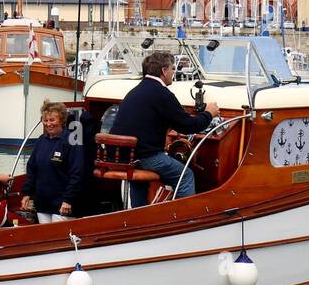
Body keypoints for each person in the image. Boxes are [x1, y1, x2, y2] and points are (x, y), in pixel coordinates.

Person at [110, 51, 219, 206]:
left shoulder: (134, 92)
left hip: (124, 156)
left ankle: (138, 217)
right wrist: (209, 113)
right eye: (173, 69)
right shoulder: (161, 94)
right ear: (164, 71)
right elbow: (188, 126)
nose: (173, 73)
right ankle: (184, 219)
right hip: (145, 157)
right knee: (185, 176)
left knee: (139, 179)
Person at [21, 101, 85, 222]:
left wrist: (68, 200)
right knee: (44, 235)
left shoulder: (72, 140)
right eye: (45, 120)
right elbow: (32, 168)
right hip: (42, 204)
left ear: (61, 120)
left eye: (52, 120)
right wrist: (27, 193)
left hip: (63, 205)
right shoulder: (41, 140)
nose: (48, 124)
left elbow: (77, 173)